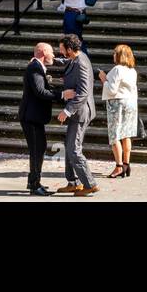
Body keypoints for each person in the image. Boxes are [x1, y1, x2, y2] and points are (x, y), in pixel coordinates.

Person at [55, 34, 97, 196]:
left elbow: (83, 92)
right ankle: (73, 182)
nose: (60, 52)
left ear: (70, 49)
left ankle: (89, 184)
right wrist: (48, 60)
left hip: (81, 112)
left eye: (62, 49)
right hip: (78, 112)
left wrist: (67, 111)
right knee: (69, 146)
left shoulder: (81, 63)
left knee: (73, 149)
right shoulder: (76, 57)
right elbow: (66, 61)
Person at [19, 42, 59, 196]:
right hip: (31, 116)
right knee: (37, 149)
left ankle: (33, 181)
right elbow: (40, 92)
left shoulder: (37, 66)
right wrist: (62, 95)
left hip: (34, 116)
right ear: (43, 52)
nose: (53, 55)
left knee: (40, 148)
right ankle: (35, 185)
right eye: (51, 52)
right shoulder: (35, 67)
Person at [100, 44, 137, 179]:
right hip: (131, 102)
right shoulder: (132, 70)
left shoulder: (117, 69)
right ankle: (126, 163)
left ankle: (119, 166)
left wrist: (104, 79)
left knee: (114, 135)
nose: (113, 55)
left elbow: (112, 90)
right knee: (126, 134)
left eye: (115, 53)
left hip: (117, 103)